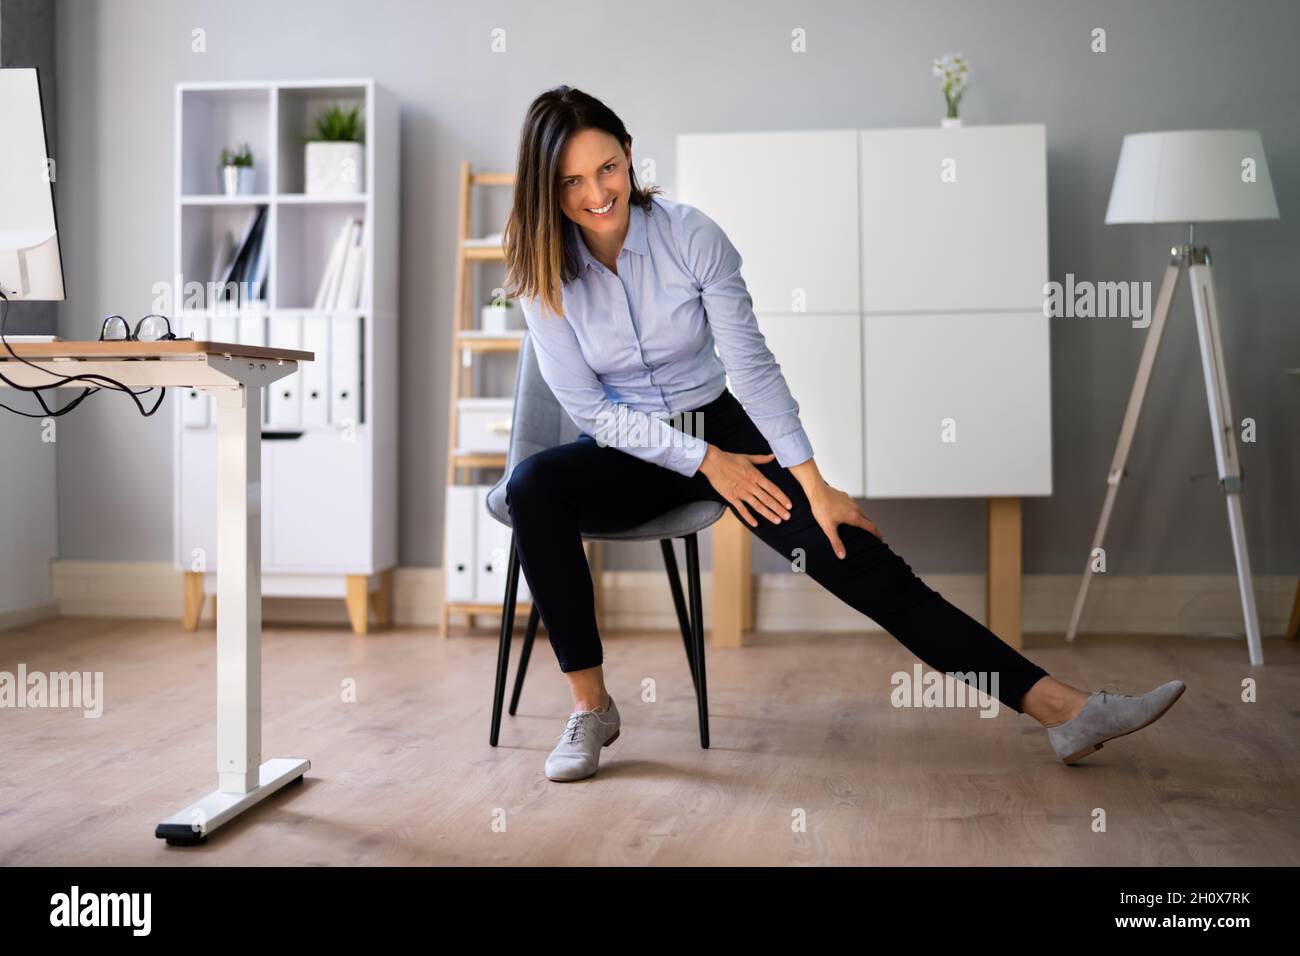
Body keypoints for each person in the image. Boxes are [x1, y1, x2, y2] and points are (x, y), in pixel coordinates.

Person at [500, 85, 1185, 782]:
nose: (597, 193)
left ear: (629, 156)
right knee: (532, 487)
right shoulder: (540, 273)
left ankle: (1064, 711)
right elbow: (592, 412)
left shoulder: (690, 236)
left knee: (858, 557)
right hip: (632, 445)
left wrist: (812, 484)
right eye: (572, 181)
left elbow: (753, 368)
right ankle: (593, 708)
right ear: (546, 189)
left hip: (723, 422)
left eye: (608, 168)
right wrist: (705, 462)